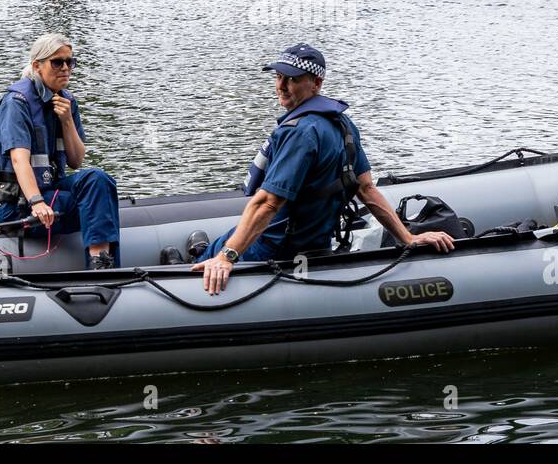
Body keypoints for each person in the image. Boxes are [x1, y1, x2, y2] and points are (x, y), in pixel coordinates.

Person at [192, 43, 455, 294]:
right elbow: (367, 189)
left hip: (273, 247)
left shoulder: (300, 132)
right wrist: (407, 237)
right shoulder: (343, 124)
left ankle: (189, 261)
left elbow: (268, 203)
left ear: (317, 83)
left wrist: (227, 257)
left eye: (293, 79)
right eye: (279, 77)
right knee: (221, 241)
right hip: (316, 247)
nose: (281, 86)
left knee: (211, 256)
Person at [0, 33, 120, 270]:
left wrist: (67, 121)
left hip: (53, 190)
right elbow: (19, 160)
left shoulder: (66, 101)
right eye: (57, 62)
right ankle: (101, 266)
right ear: (37, 66)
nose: (66, 68)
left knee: (98, 179)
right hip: (19, 204)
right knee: (100, 204)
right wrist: (37, 202)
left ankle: (101, 264)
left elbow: (76, 161)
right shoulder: (17, 102)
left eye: (70, 62)